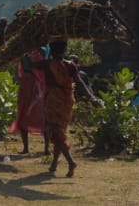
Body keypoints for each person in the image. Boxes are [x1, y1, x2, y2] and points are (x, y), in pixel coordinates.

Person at [34, 39, 98, 177]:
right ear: (64, 50)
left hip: (53, 100)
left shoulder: (46, 64)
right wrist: (91, 97)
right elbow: (80, 82)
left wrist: (29, 47)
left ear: (51, 49)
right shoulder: (71, 65)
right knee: (59, 131)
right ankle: (54, 164)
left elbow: (29, 65)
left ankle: (70, 161)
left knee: (56, 131)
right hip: (67, 101)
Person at [10, 46, 48, 154]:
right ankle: (26, 148)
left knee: (41, 116)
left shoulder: (41, 51)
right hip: (27, 86)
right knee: (23, 116)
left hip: (37, 88)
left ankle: (46, 148)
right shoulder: (24, 55)